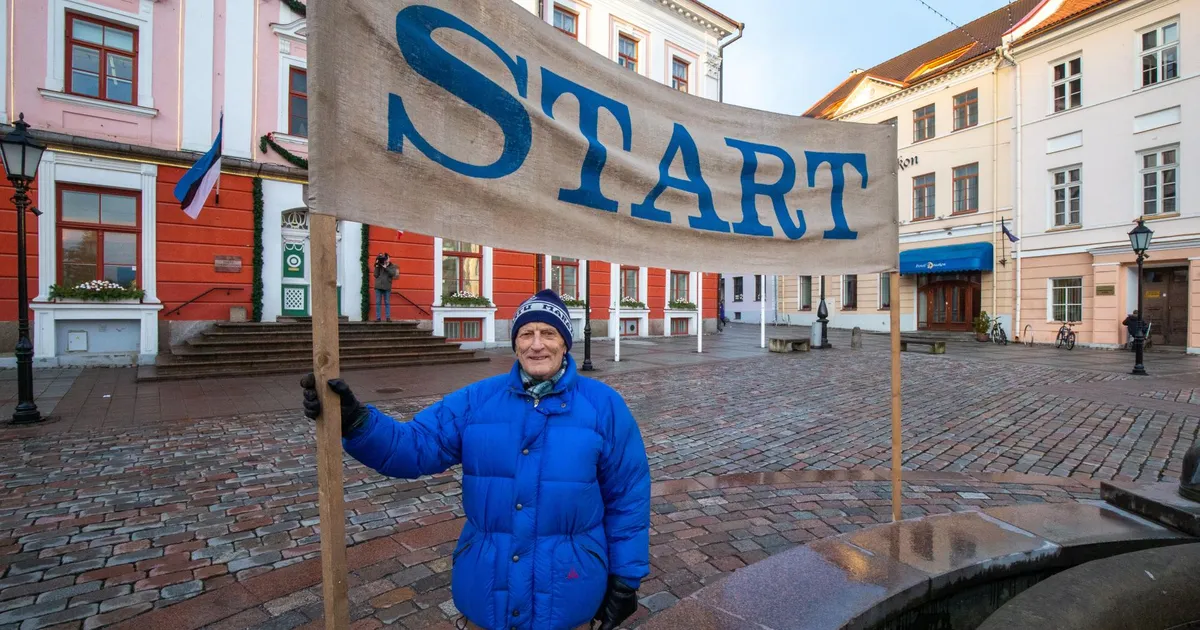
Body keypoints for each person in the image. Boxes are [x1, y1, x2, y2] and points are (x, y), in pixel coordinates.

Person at [301, 289, 650, 630]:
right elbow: (415, 446)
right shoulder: (477, 400)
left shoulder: (604, 406)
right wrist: (357, 422)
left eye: (548, 333)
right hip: (486, 586)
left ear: (565, 343)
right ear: (515, 342)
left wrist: (626, 576)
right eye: (526, 333)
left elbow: (628, 496)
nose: (537, 344)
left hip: (570, 588)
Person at [373, 253, 398, 322]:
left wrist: (386, 268)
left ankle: (388, 318)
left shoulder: (392, 266)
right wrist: (377, 265)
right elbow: (375, 275)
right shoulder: (379, 265)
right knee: (378, 302)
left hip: (387, 287)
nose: (388, 259)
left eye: (388, 258)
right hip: (378, 286)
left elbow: (393, 274)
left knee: (387, 302)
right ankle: (378, 318)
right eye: (386, 258)